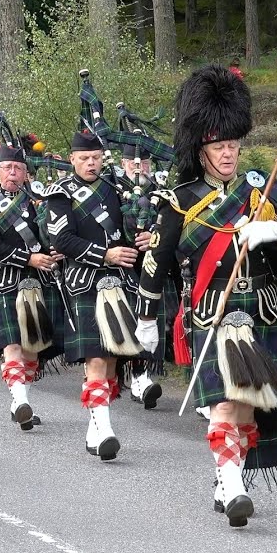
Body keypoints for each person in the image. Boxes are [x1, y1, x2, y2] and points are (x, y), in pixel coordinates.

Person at [135, 65, 277, 527]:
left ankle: (227, 474)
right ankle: (233, 483)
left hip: (261, 311)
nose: (230, 154)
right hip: (212, 314)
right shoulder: (178, 201)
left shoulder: (261, 188)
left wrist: (270, 230)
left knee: (249, 404)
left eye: (234, 146)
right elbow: (159, 258)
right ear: (201, 150)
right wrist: (147, 316)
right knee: (223, 403)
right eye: (220, 147)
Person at [43, 130, 147, 461]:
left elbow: (130, 231)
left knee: (114, 358)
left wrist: (143, 239)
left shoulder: (117, 188)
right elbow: (62, 240)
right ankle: (104, 429)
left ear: (103, 159)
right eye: (84, 158)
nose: (91, 163)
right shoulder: (60, 194)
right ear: (72, 159)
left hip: (121, 281)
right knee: (97, 357)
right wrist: (105, 254)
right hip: (85, 281)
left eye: (96, 158)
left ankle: (95, 427)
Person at [0, 143, 64, 430]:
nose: (13, 172)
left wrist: (55, 251)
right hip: (5, 281)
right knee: (12, 345)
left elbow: (51, 236)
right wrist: (29, 258)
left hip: (38, 282)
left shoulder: (38, 201)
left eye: (18, 168)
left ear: (26, 173)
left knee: (32, 348)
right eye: (7, 168)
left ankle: (19, 401)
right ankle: (22, 400)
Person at [116, 142, 163, 409]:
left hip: (156, 264)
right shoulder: (114, 189)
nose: (139, 167)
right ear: (123, 164)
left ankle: (144, 374)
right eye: (133, 163)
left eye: (144, 163)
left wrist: (154, 237)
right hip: (125, 264)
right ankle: (136, 377)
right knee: (133, 320)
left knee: (154, 321)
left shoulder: (160, 191)